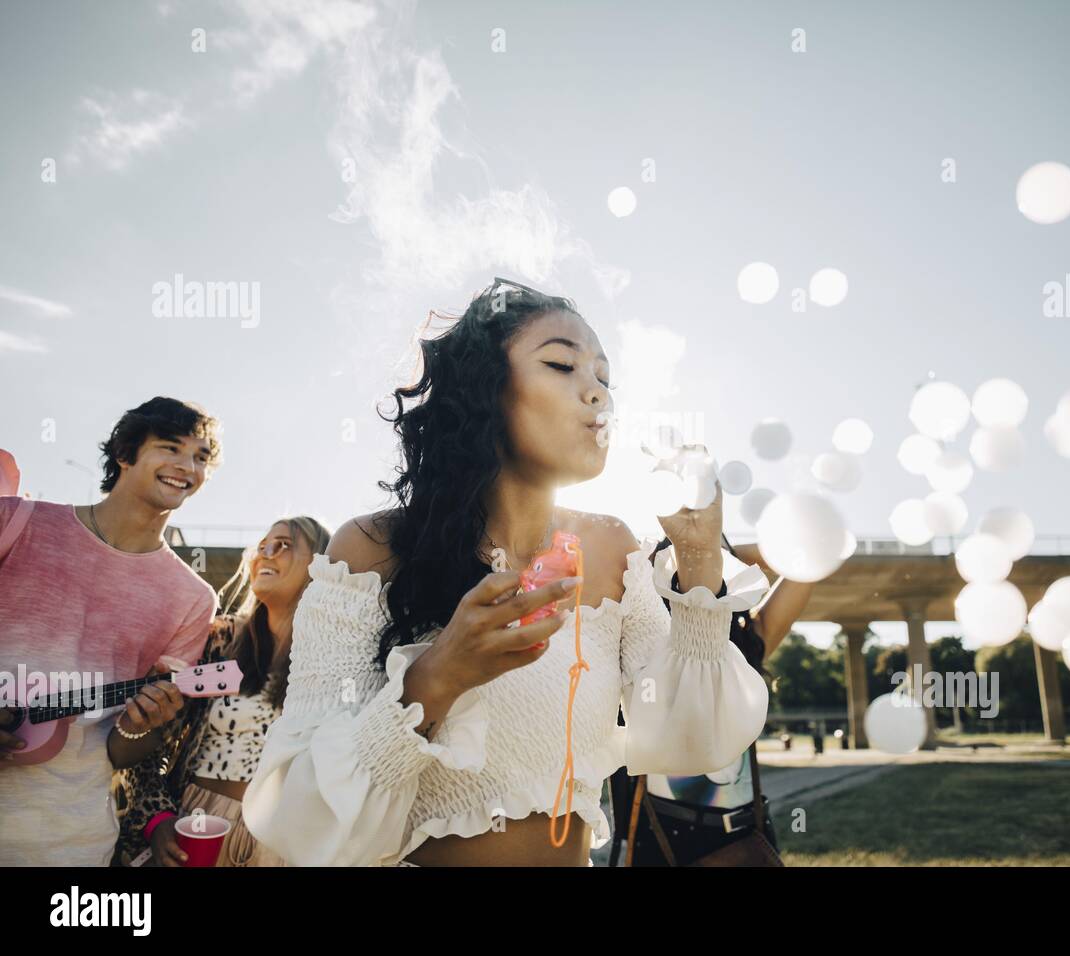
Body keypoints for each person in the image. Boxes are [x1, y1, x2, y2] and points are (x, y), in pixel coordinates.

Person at [242, 277, 771, 866]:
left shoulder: (612, 548)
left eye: (604, 377)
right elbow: (298, 817)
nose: (596, 393)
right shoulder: (369, 551)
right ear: (484, 389)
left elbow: (692, 738)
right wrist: (438, 677)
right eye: (562, 365)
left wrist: (698, 563)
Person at [0, 397, 221, 865]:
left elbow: (120, 751)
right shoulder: (15, 522)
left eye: (201, 458)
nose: (188, 467)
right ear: (125, 453)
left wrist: (144, 727)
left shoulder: (193, 599)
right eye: (171, 448)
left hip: (69, 842)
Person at [112, 516, 331, 867]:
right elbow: (153, 736)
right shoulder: (217, 641)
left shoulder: (337, 660)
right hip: (199, 825)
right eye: (262, 546)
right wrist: (157, 819)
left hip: (288, 840)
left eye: (283, 546)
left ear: (319, 564)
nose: (266, 555)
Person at [607, 534, 814, 865]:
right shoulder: (633, 648)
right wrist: (698, 547)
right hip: (661, 835)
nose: (701, 572)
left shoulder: (742, 649)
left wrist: (719, 549)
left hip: (746, 833)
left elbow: (808, 554)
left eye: (715, 563)